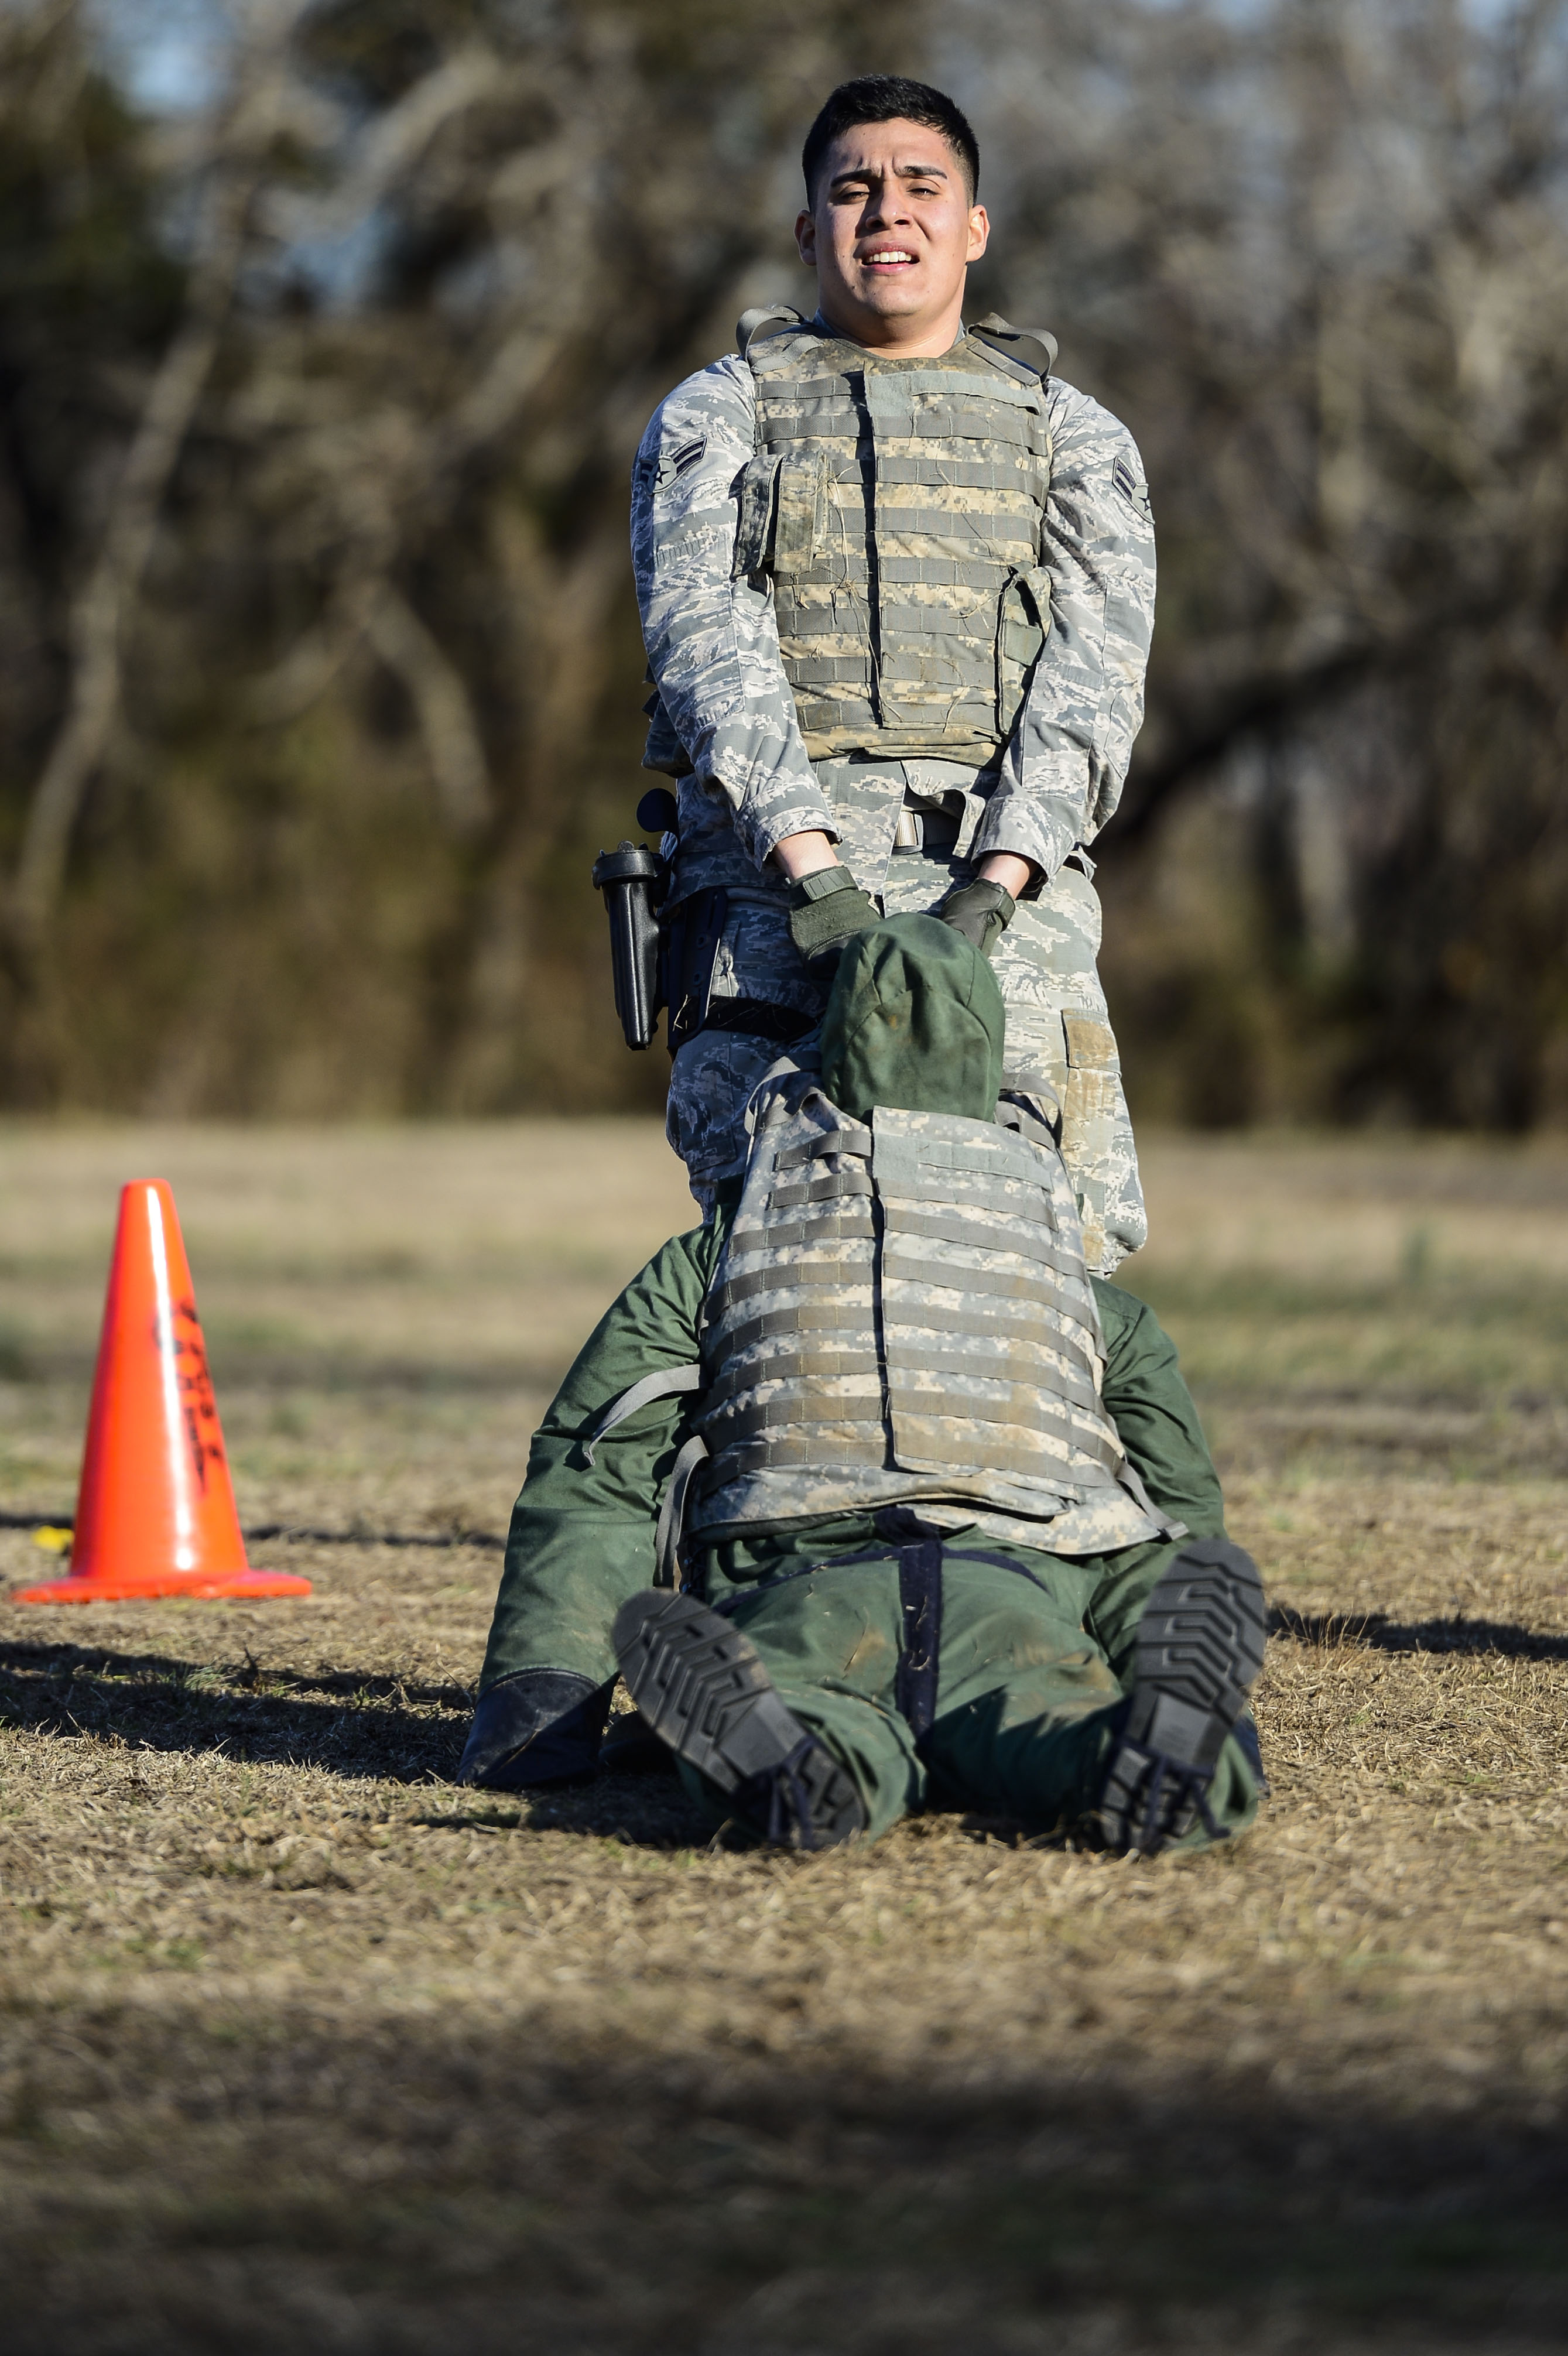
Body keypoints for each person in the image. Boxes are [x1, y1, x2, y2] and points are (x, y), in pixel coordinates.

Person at [457, 919, 1266, 1856]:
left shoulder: (722, 1247)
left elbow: (594, 1465)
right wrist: (1146, 1628)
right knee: (1054, 1709)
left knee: (807, 1713)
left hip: (801, 1586)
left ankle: (802, 1762)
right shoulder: (1070, 1273)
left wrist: (542, 1699)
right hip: (1018, 1586)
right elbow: (1176, 1506)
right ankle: (1155, 1748)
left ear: (828, 1051)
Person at [633, 73, 1157, 1273]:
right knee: (770, 1233)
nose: (887, 214)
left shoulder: (1073, 436)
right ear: (808, 229)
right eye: (852, 188)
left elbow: (1094, 681)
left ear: (973, 227)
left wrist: (998, 884)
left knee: (1050, 1232)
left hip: (1000, 885)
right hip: (774, 891)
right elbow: (706, 646)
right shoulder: (719, 415)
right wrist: (810, 872)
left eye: (923, 188)